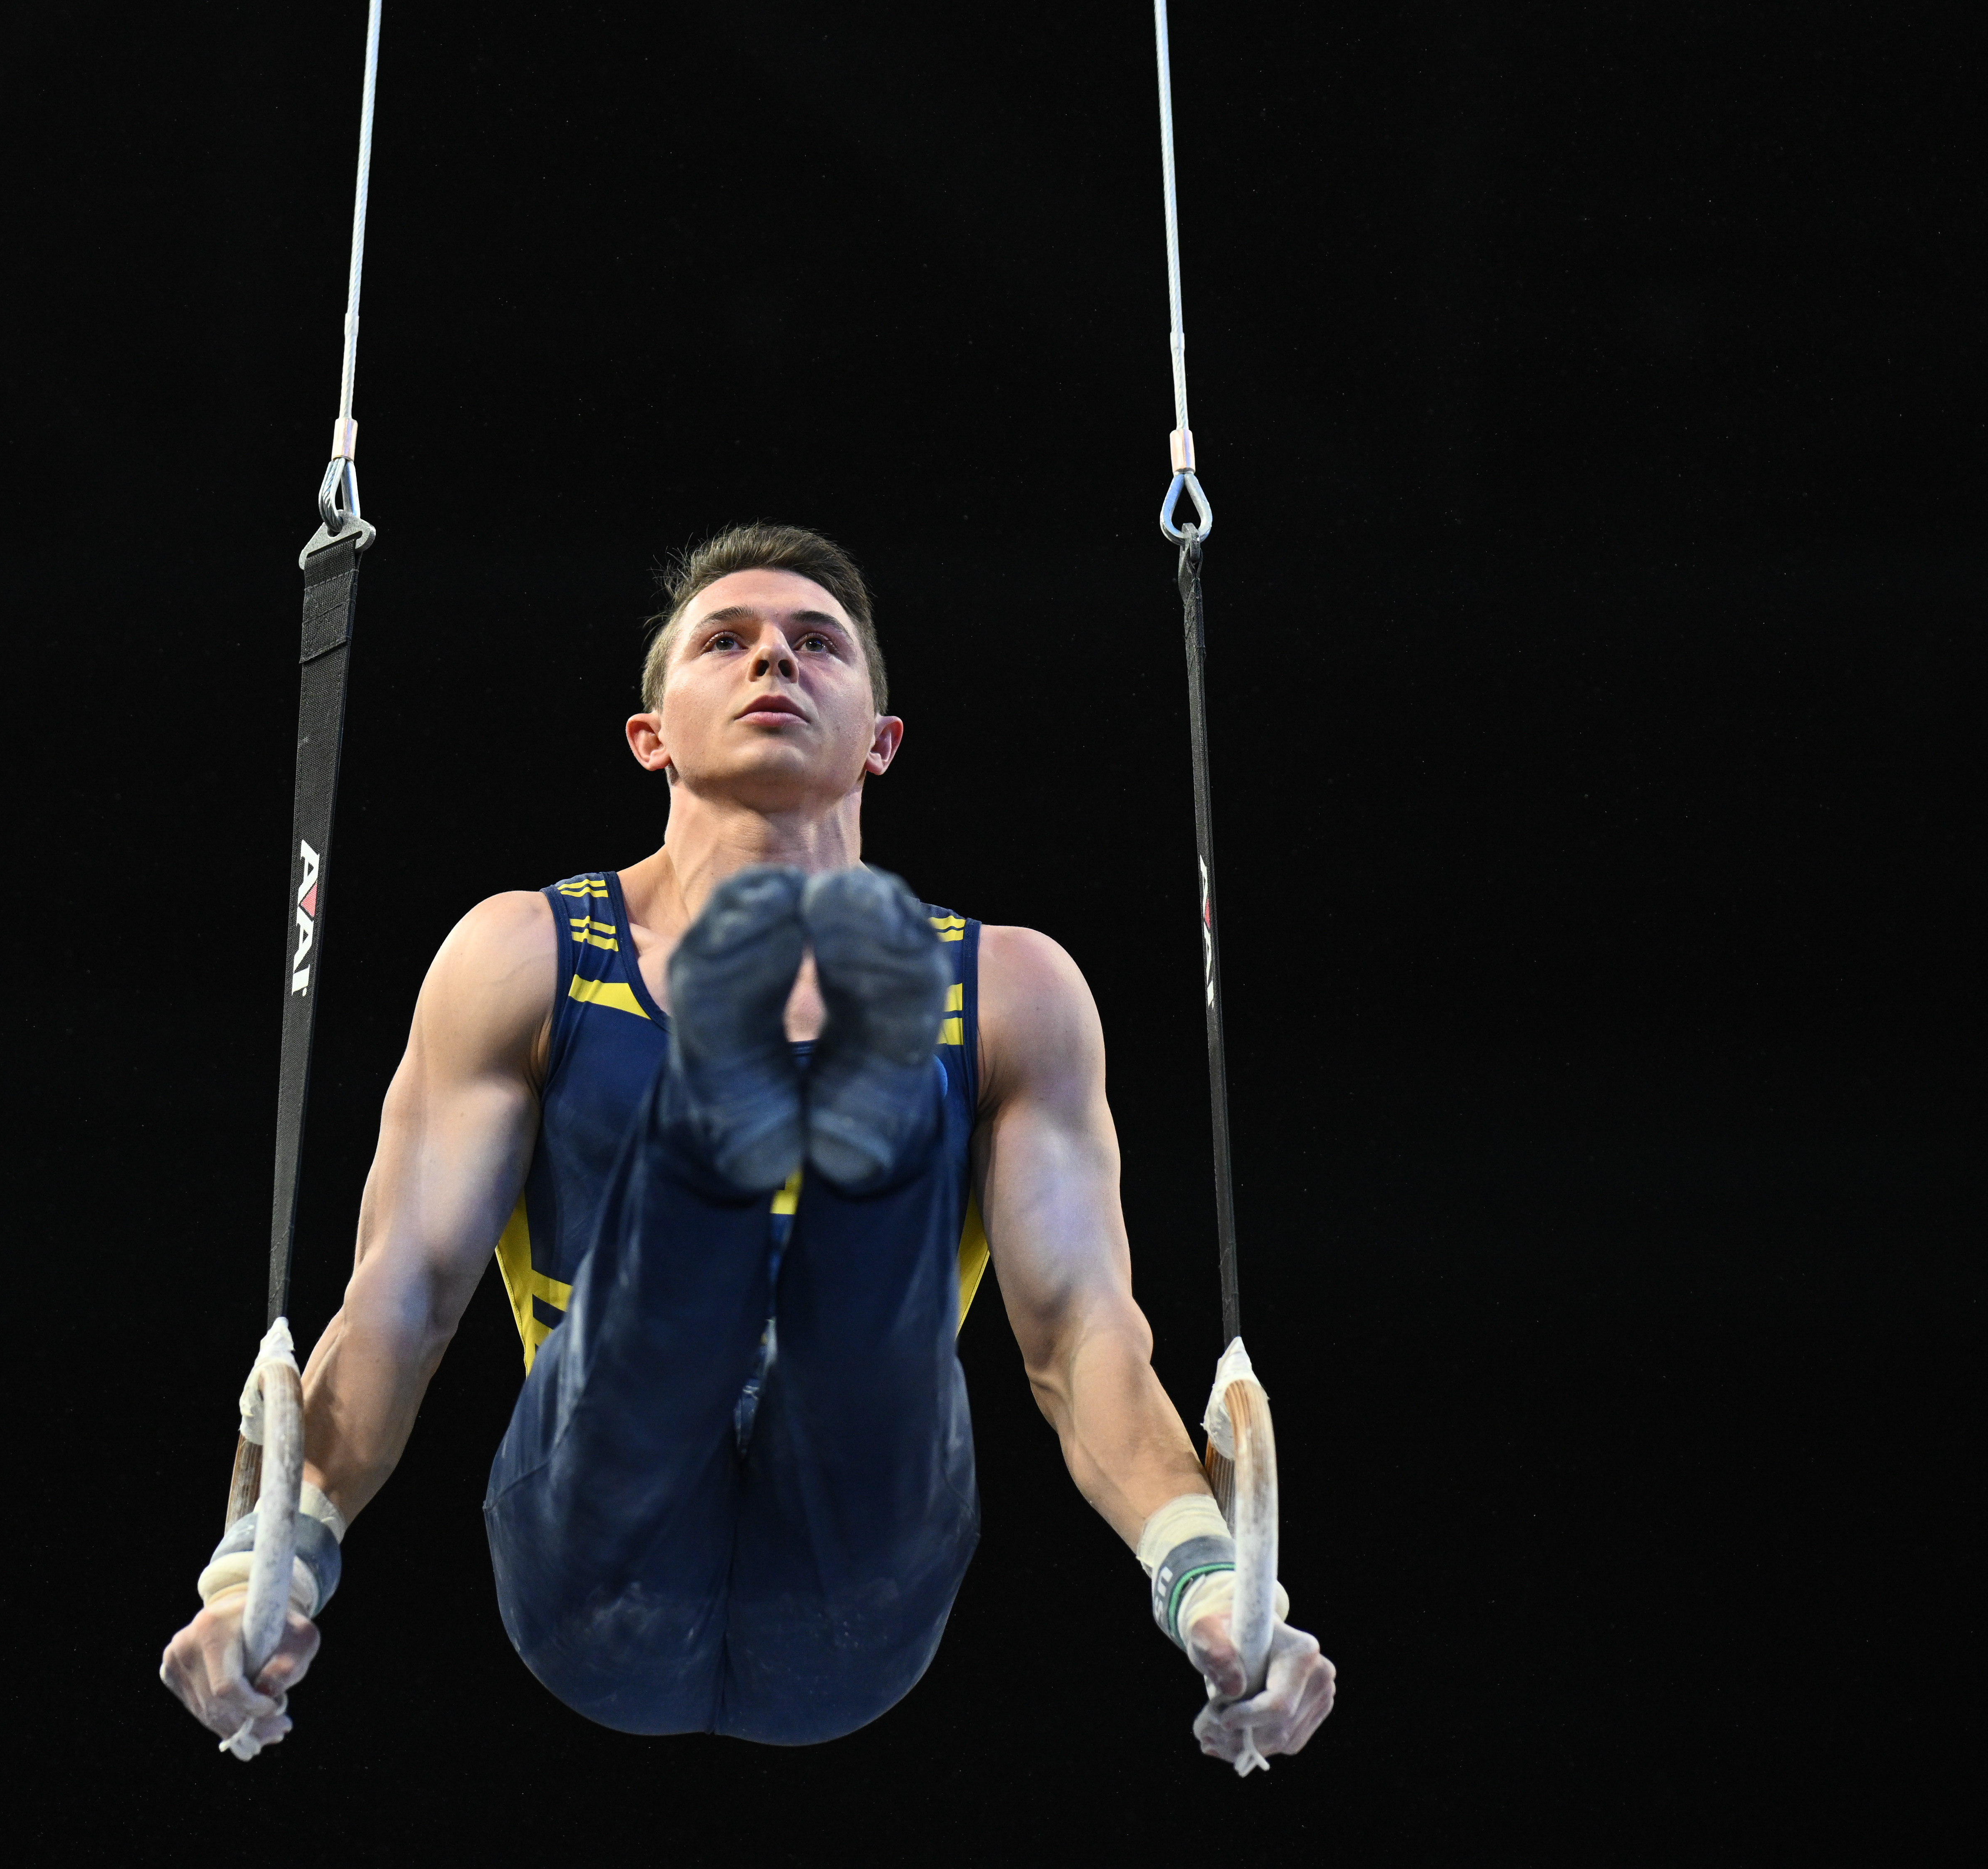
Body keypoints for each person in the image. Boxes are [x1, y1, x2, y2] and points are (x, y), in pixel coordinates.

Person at [160, 522, 1337, 1763]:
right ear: (651, 736)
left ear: (881, 741)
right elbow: (400, 1301)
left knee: (866, 1271)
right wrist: (263, 1569)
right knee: (684, 1265)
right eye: (726, 641)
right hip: (595, 1559)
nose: (775, 658)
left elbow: (1082, 1335)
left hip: (859, 1593)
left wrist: (1207, 1578)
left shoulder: (1015, 991)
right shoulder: (520, 956)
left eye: (819, 644)